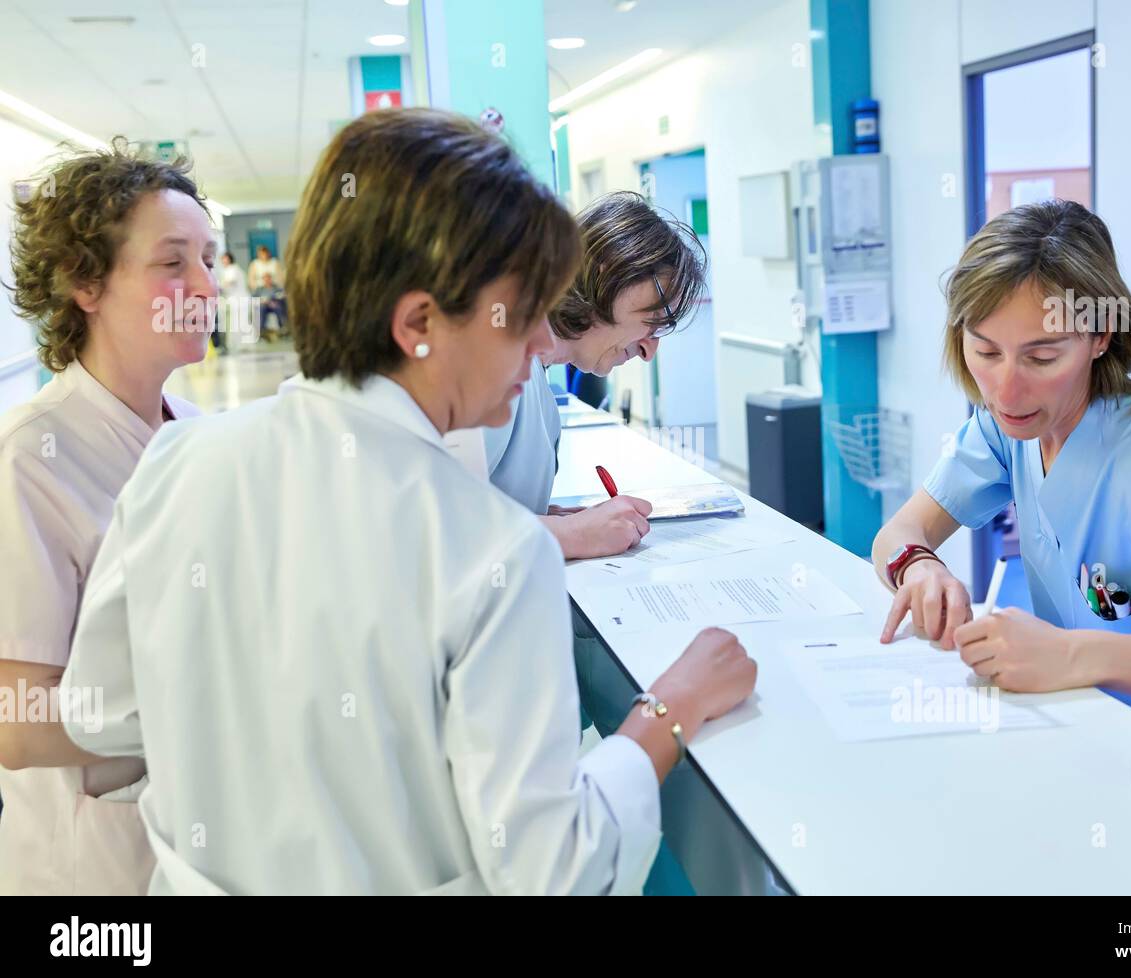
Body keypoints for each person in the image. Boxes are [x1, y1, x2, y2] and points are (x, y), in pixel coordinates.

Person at [60, 108, 755, 895]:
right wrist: (668, 711)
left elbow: (99, 715)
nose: (537, 345)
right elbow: (558, 871)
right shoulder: (492, 551)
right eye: (515, 313)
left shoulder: (179, 462)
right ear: (420, 322)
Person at [871, 199, 1131, 726]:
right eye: (985, 352)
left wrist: (1076, 654)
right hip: (1084, 725)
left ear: (1101, 336)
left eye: (1042, 357)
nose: (1006, 389)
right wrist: (918, 565)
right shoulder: (1013, 427)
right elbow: (899, 532)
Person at [0, 139, 210, 894]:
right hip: (92, 872)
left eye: (210, 260)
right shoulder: (30, 459)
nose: (206, 286)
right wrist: (212, 707)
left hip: (196, 840)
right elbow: (17, 726)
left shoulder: (189, 427)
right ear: (86, 282)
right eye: (172, 262)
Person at [485, 191, 708, 561]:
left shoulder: (537, 379)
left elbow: (483, 504)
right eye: (651, 324)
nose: (648, 351)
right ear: (606, 274)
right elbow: (431, 529)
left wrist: (546, 521)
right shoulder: (495, 357)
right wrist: (568, 535)